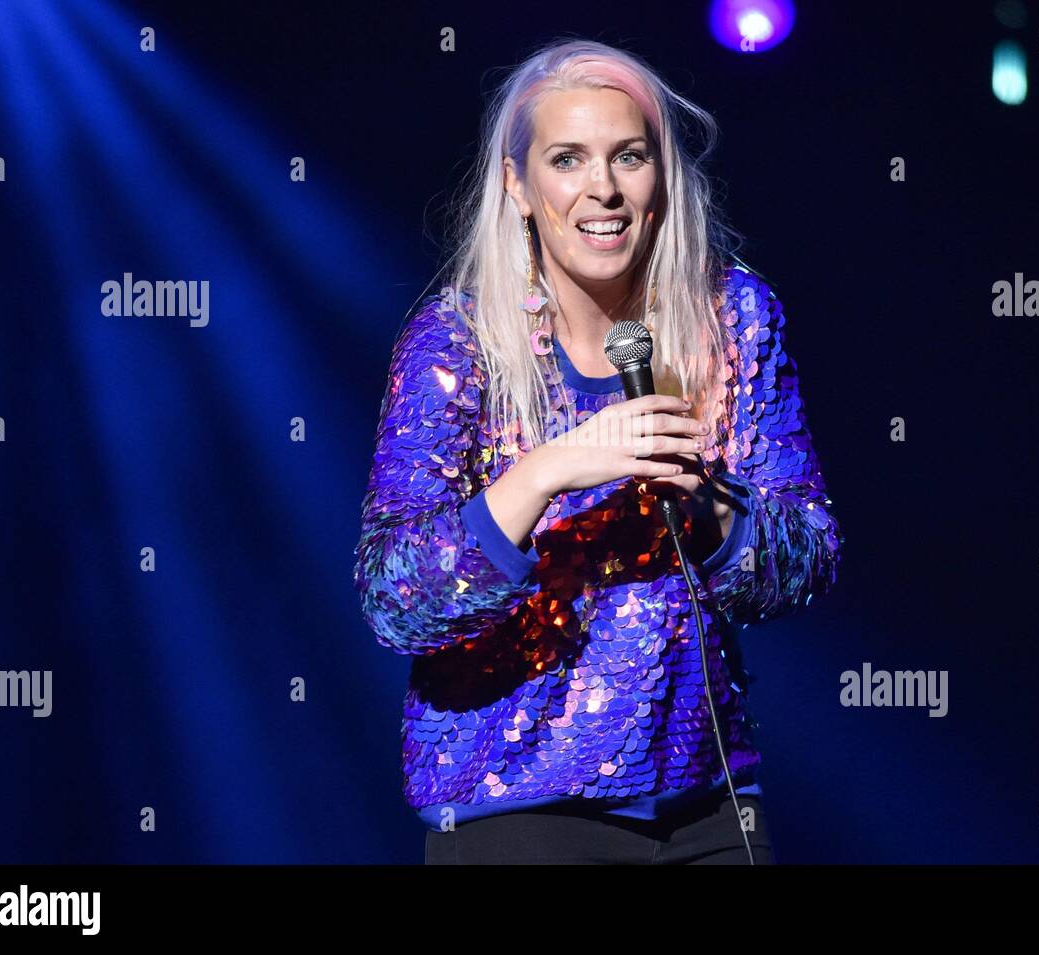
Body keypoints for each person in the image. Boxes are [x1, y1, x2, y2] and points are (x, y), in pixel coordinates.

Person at [352, 38, 843, 864]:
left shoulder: (736, 319)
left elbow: (809, 560)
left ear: (662, 179)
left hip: (708, 806)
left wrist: (708, 500)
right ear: (518, 184)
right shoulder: (459, 343)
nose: (603, 188)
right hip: (517, 805)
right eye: (567, 158)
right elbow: (394, 598)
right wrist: (550, 470)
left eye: (629, 156)